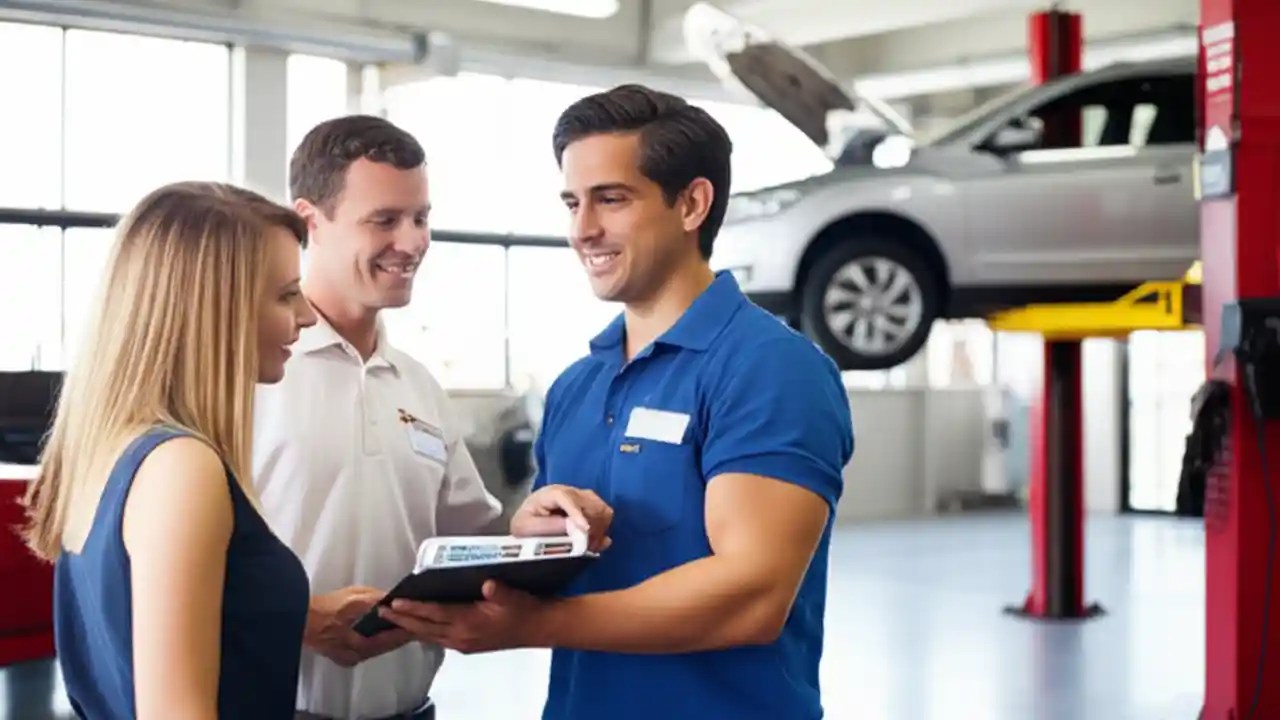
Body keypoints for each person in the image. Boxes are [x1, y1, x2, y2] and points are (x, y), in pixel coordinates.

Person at [377, 85, 857, 719]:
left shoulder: (770, 369)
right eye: (573, 202)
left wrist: (536, 624)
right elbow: (569, 559)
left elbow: (754, 595)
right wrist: (533, 533)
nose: (583, 230)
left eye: (611, 199)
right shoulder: (578, 385)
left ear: (692, 203)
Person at [254, 114, 613, 720]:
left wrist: (532, 534)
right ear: (310, 221)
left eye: (420, 218)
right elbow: (167, 571)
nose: (413, 241)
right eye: (385, 220)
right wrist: (296, 620)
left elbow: (465, 545)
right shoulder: (249, 375)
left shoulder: (418, 387)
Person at [22, 181, 318, 719]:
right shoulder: (180, 468)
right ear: (215, 308)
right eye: (285, 294)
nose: (308, 316)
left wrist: (300, 617)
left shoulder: (108, 448)